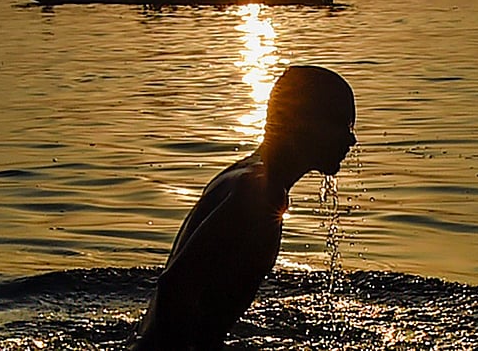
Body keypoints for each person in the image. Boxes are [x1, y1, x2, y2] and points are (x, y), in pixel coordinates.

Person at [131, 66, 357, 350]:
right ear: (301, 122)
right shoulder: (259, 193)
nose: (351, 139)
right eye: (340, 123)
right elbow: (176, 288)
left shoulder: (243, 174)